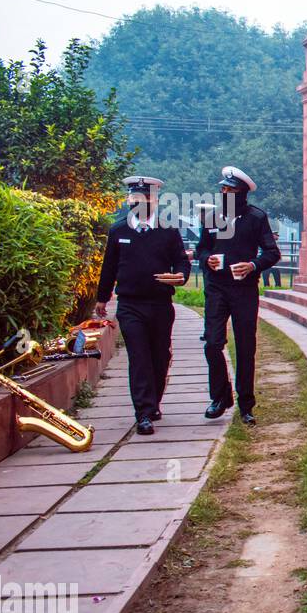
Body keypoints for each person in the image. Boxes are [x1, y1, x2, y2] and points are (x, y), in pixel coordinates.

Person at [94, 176, 190, 435]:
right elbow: (109, 268)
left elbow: (182, 262)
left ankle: (154, 402)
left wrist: (180, 276)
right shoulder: (118, 231)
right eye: (134, 198)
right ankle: (143, 412)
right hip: (129, 305)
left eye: (144, 198)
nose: (139, 202)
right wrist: (102, 298)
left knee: (160, 355)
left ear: (154, 201)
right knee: (138, 356)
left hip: (160, 304)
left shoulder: (167, 230)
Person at [195, 166, 280, 427]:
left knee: (245, 346)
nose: (224, 193)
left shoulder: (256, 218)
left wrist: (253, 265)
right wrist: (207, 259)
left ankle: (246, 404)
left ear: (241, 194)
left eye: (230, 190)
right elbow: (201, 251)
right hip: (217, 288)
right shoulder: (211, 217)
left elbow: (271, 252)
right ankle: (220, 396)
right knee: (212, 342)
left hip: (244, 289)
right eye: (222, 189)